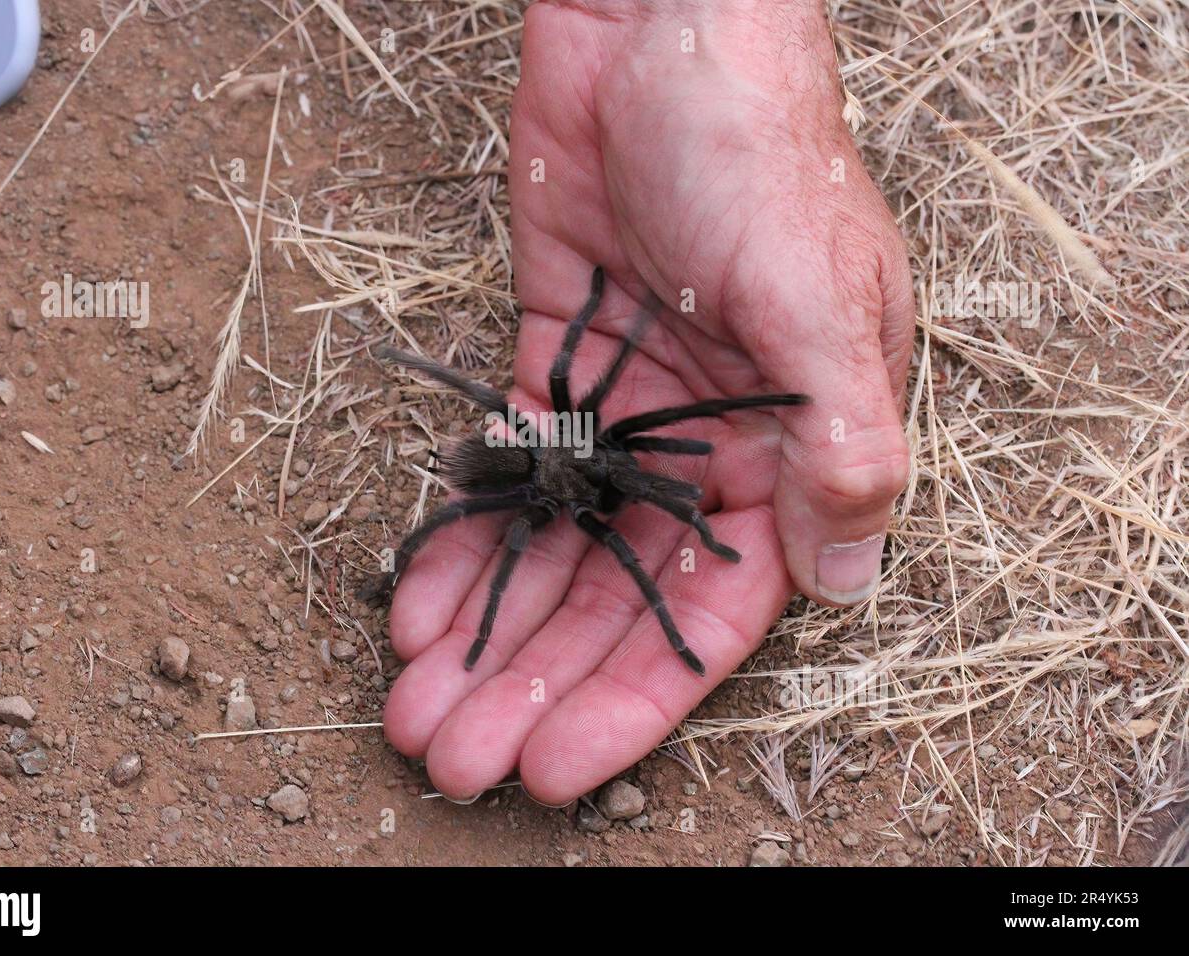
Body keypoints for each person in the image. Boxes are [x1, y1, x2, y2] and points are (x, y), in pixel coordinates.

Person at [380, 0, 915, 806]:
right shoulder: (553, 488)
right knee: (493, 526)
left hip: (550, 458)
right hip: (524, 474)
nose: (625, 468)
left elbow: (629, 391)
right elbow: (623, 498)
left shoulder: (594, 432)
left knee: (622, 431)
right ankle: (488, 634)